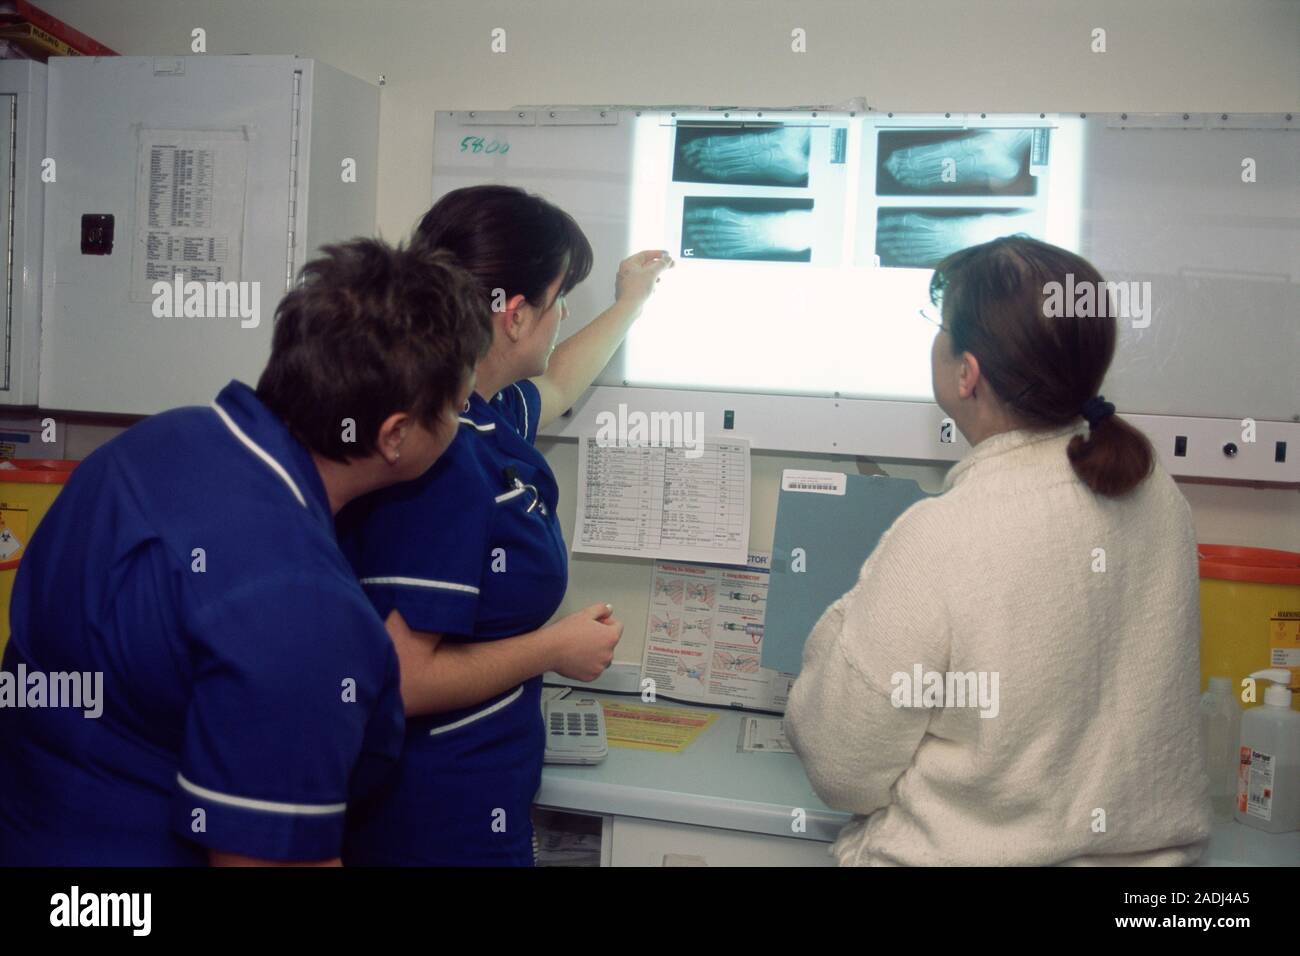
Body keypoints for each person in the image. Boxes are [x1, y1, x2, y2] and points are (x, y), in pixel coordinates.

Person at [0, 239, 492, 865]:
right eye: (454, 409)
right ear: (395, 435)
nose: (461, 424)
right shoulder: (301, 610)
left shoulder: (155, 442)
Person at [785, 236, 1211, 866]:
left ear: (967, 373)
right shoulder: (1157, 498)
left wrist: (847, 619)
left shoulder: (940, 536)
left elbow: (842, 767)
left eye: (941, 328)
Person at [339, 185, 672, 865]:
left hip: (480, 788)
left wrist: (631, 301)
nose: (560, 319)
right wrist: (555, 649)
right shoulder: (443, 457)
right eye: (556, 303)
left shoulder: (477, 414)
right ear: (514, 316)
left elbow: (557, 387)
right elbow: (402, 676)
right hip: (432, 812)